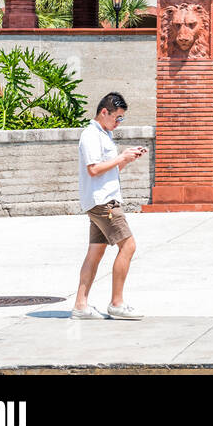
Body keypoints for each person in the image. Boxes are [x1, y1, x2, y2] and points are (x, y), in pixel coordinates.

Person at [71, 93, 147, 320]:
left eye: (121, 119)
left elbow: (106, 172)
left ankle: (80, 306)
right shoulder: (91, 135)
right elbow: (93, 169)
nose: (119, 122)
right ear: (104, 112)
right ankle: (117, 303)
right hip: (104, 203)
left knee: (95, 252)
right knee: (129, 246)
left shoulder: (104, 135)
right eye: (118, 117)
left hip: (101, 199)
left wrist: (125, 160)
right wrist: (120, 156)